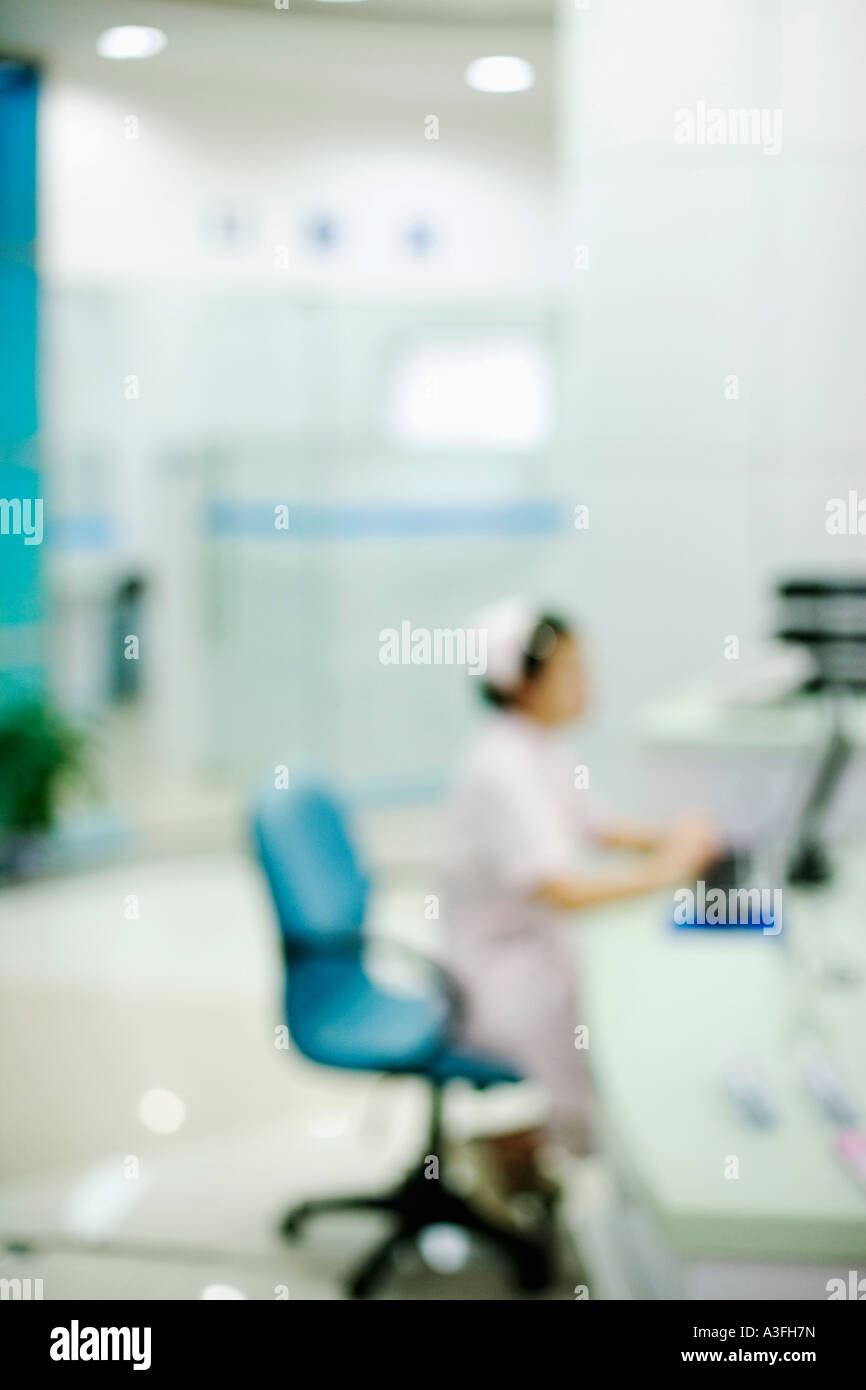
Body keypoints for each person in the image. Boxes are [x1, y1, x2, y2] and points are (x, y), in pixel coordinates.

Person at [439, 598, 720, 1199]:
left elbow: (597, 826)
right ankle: (518, 1154)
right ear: (522, 684)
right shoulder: (500, 766)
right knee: (612, 1054)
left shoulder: (542, 747)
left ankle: (523, 1153)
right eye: (572, 672)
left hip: (535, 946)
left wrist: (674, 834)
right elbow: (562, 889)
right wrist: (668, 870)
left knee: (624, 1022)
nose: (587, 686)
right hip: (498, 971)